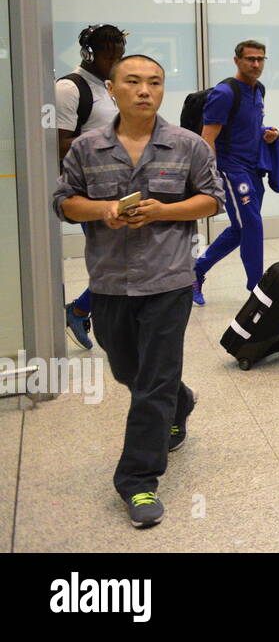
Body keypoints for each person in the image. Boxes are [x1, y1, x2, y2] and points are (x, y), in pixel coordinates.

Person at [52, 54, 223, 528]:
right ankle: (180, 401)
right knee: (130, 370)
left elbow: (212, 198)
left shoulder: (187, 145)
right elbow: (64, 202)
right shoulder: (86, 148)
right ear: (113, 89)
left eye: (154, 82)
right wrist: (102, 210)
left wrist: (162, 212)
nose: (144, 90)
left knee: (151, 383)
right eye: (133, 82)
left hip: (168, 281)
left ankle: (138, 481)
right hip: (109, 283)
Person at [56, 23, 127, 349]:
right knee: (118, 263)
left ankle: (83, 310)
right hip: (88, 191)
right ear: (89, 54)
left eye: (119, 56)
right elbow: (59, 144)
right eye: (109, 57)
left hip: (117, 184)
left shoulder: (108, 86)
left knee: (123, 260)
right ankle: (81, 310)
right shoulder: (70, 89)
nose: (115, 63)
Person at [191, 40, 279, 304]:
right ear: (237, 61)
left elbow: (250, 126)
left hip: (253, 170)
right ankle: (258, 288)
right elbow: (207, 138)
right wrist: (211, 179)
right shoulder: (225, 93)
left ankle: (195, 271)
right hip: (231, 171)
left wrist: (266, 134)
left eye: (260, 59)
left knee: (241, 229)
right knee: (251, 225)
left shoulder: (258, 89)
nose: (256, 64)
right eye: (250, 59)